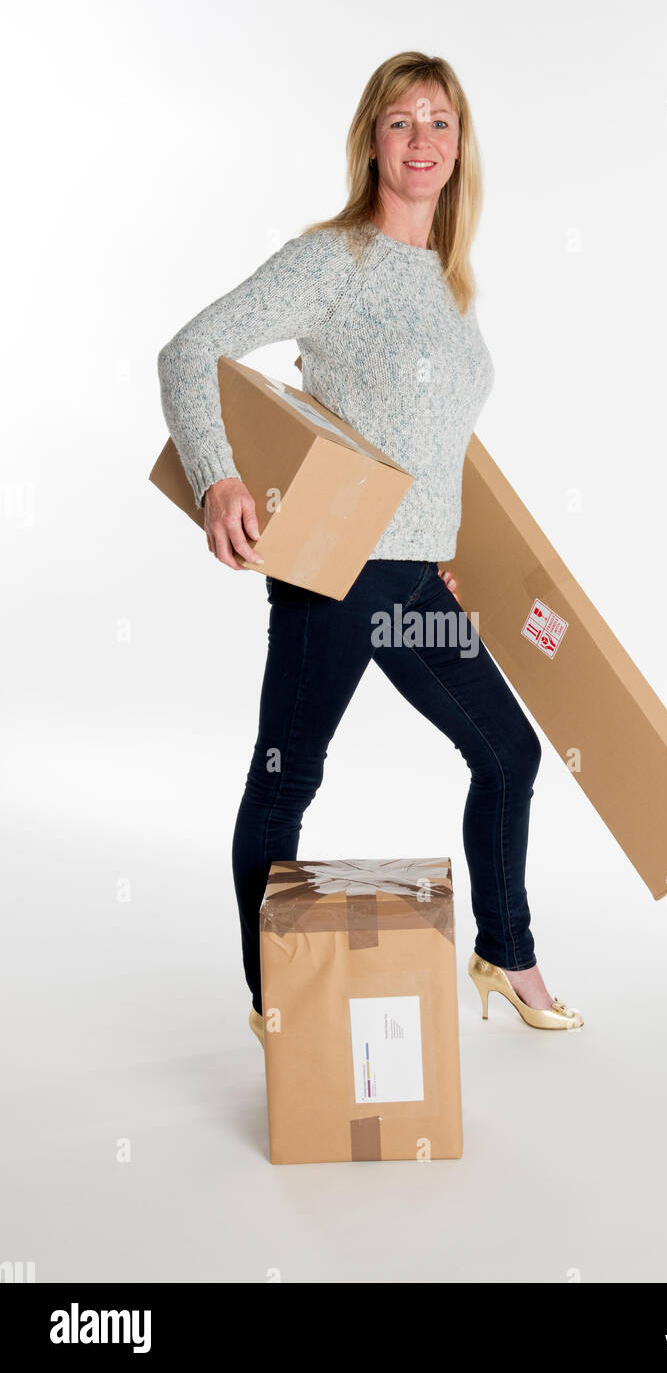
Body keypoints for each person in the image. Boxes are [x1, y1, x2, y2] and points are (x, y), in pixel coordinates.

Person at [157, 51, 583, 1042]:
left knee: (510, 754)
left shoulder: (450, 279)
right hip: (332, 565)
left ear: (459, 144)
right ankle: (275, 1002)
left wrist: (444, 543)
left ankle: (504, 949)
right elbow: (189, 351)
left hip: (413, 573)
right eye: (401, 122)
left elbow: (434, 437)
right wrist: (218, 473)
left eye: (440, 121)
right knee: (287, 777)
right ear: (372, 142)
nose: (422, 140)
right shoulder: (331, 259)